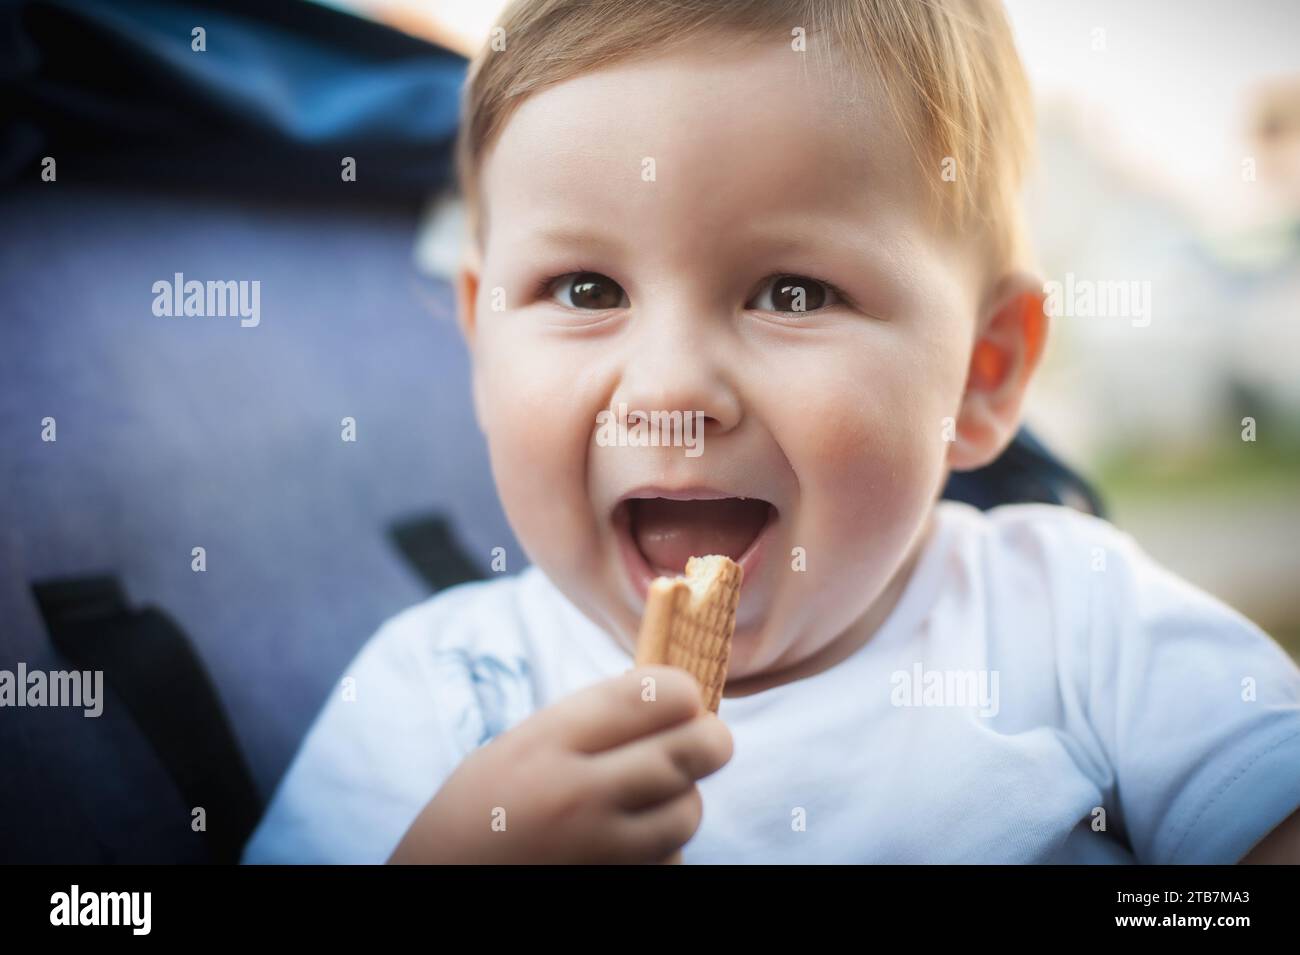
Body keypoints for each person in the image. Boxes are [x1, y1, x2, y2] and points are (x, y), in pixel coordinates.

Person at [242, 0, 1300, 864]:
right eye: (584, 285)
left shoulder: (1076, 623)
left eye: (791, 292)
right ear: (480, 342)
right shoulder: (443, 694)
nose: (668, 388)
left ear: (981, 374)